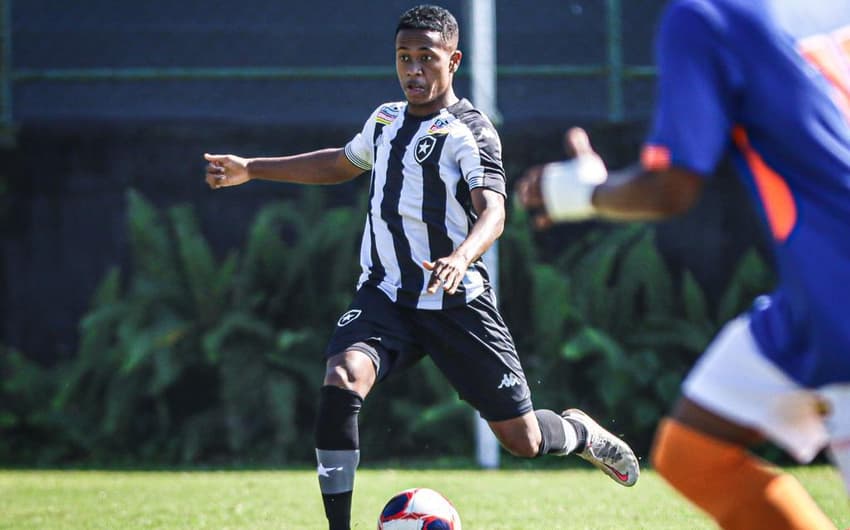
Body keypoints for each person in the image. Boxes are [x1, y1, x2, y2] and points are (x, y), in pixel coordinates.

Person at [204, 5, 639, 530]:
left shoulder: (470, 133)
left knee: (522, 440)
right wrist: (252, 169)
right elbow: (341, 162)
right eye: (403, 58)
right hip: (386, 295)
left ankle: (578, 434)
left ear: (452, 61)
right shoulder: (384, 119)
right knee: (342, 377)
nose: (413, 70)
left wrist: (460, 257)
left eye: (425, 59)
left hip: (457, 302)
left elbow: (494, 211)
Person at [515, 0, 850, 528]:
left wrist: (576, 191)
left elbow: (670, 187)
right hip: (808, 301)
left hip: (839, 299)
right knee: (695, 454)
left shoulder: (707, 16)